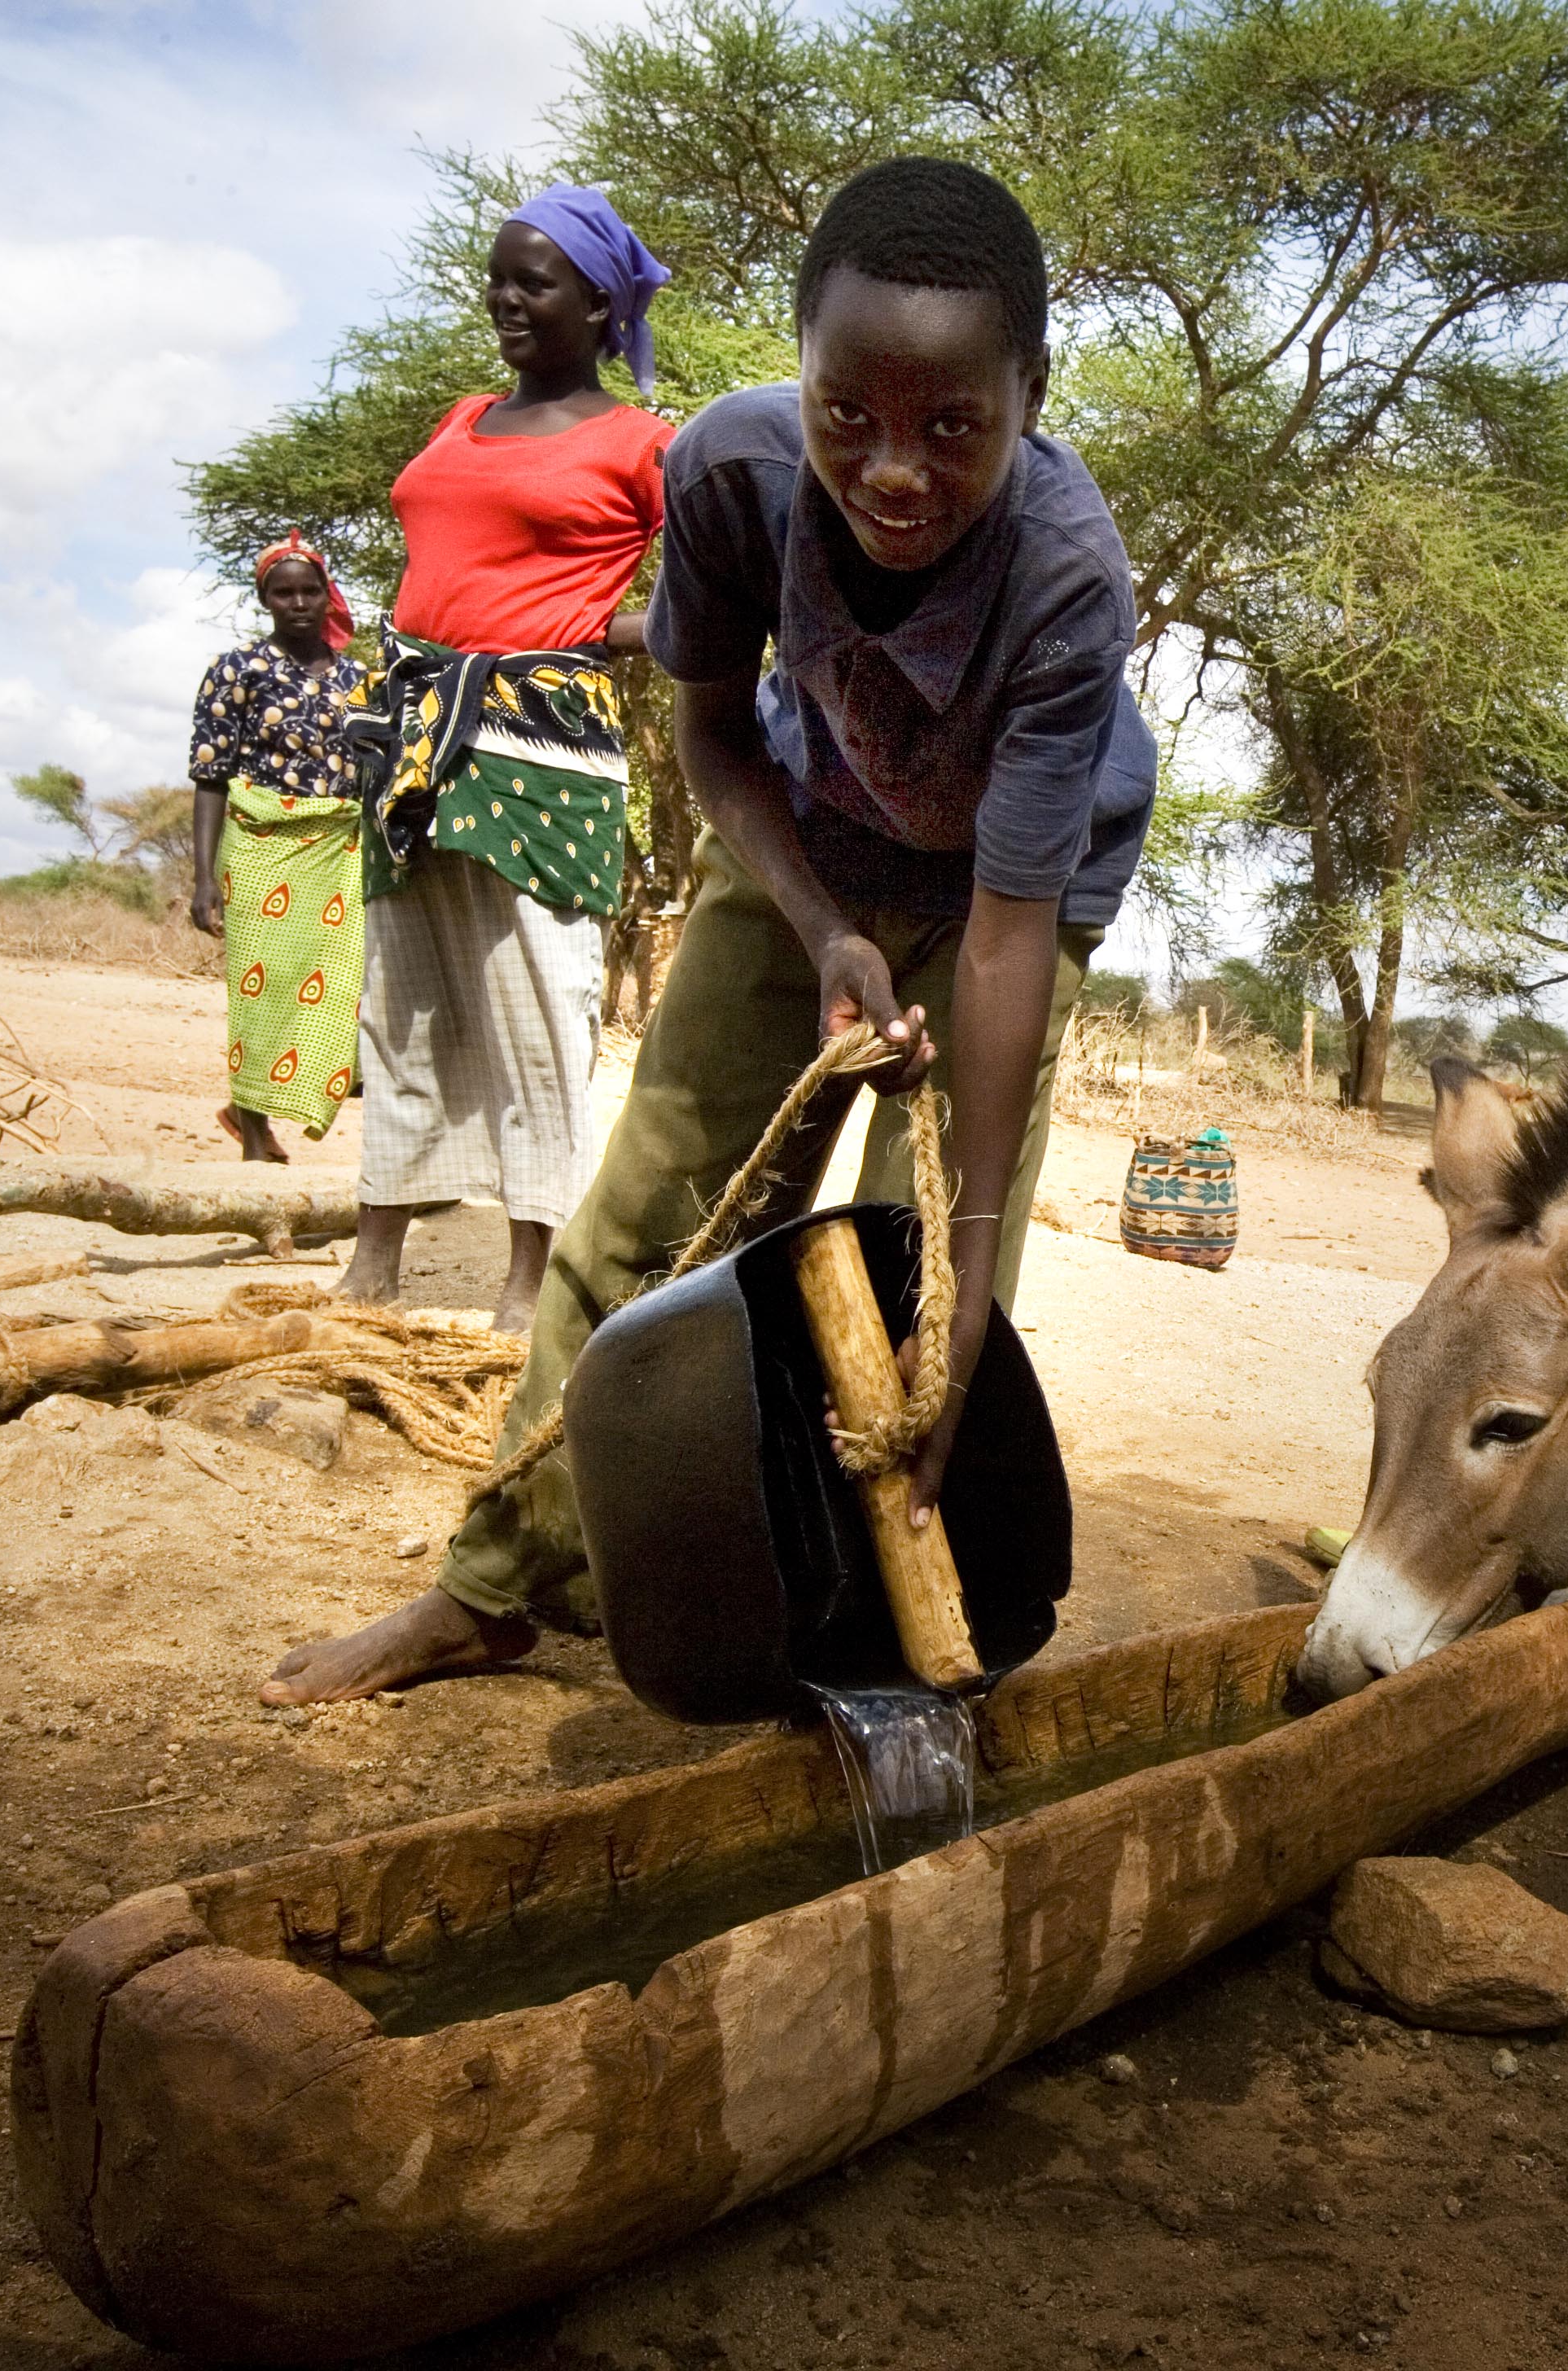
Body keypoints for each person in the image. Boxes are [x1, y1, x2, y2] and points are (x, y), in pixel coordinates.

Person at [266, 156, 1151, 1705]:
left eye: (955, 428)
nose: (893, 471)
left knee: (917, 1269)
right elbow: (713, 736)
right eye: (846, 415)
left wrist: (973, 1268)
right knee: (648, 1217)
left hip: (1007, 896)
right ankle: (494, 1583)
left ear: (1031, 395)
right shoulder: (732, 473)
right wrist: (816, 930)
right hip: (802, 838)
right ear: (797, 378)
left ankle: (880, 1646)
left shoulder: (1065, 576)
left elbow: (1009, 935)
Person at [335, 184, 677, 1333]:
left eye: (533, 281)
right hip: (418, 731)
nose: (506, 298)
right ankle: (377, 1238)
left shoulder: (644, 444)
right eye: (498, 276)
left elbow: (728, 589)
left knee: (540, 994)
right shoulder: (461, 417)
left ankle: (530, 1277)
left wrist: (598, 632)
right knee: (407, 991)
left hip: (541, 744)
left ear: (597, 304)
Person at [187, 538, 370, 1159]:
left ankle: (307, 1096)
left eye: (309, 591)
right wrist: (202, 879)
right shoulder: (236, 670)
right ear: (264, 599)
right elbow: (210, 776)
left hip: (341, 850)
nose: (297, 603)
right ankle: (254, 1125)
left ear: (327, 595)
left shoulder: (359, 679)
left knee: (340, 983)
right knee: (260, 985)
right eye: (283, 592)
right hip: (260, 847)